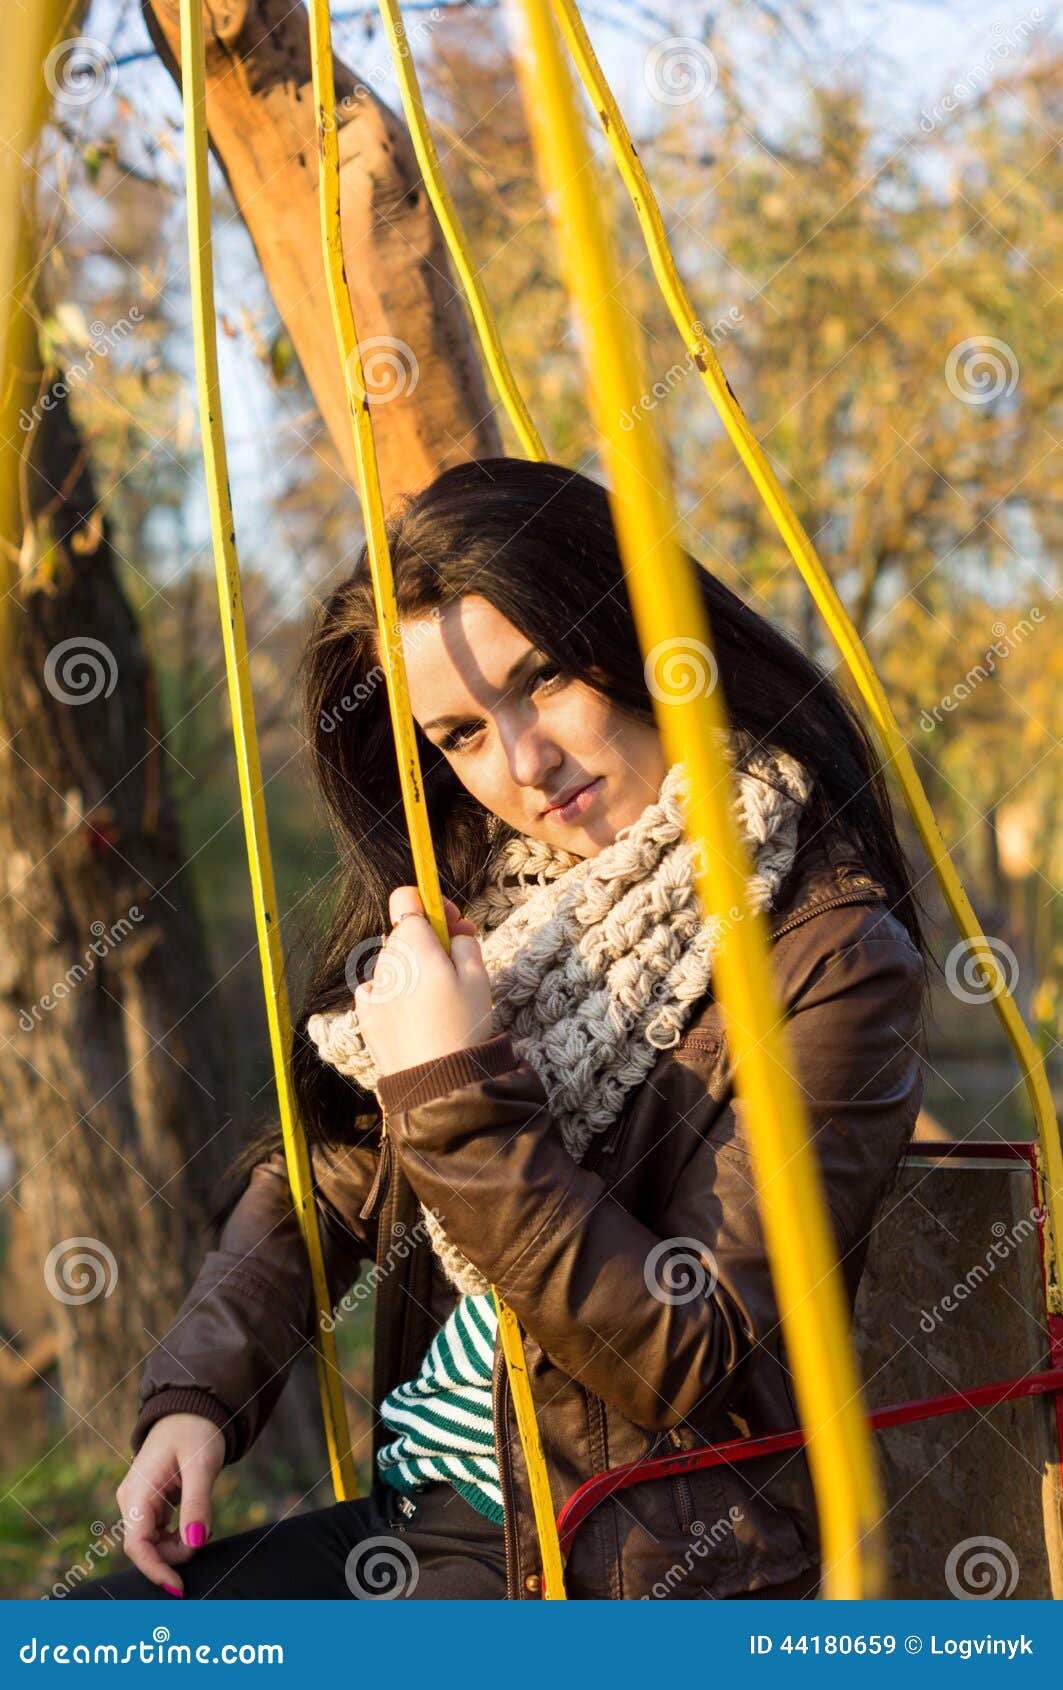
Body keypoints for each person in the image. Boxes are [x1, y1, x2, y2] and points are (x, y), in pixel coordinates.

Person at [65, 457, 929, 1601]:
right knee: (91, 1632)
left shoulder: (827, 953)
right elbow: (335, 1173)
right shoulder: (494, 895)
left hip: (623, 1562)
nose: (525, 764)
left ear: (645, 641)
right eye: (464, 734)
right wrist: (198, 1396)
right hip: (433, 1513)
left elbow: (692, 1346)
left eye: (551, 677)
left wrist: (456, 1083)